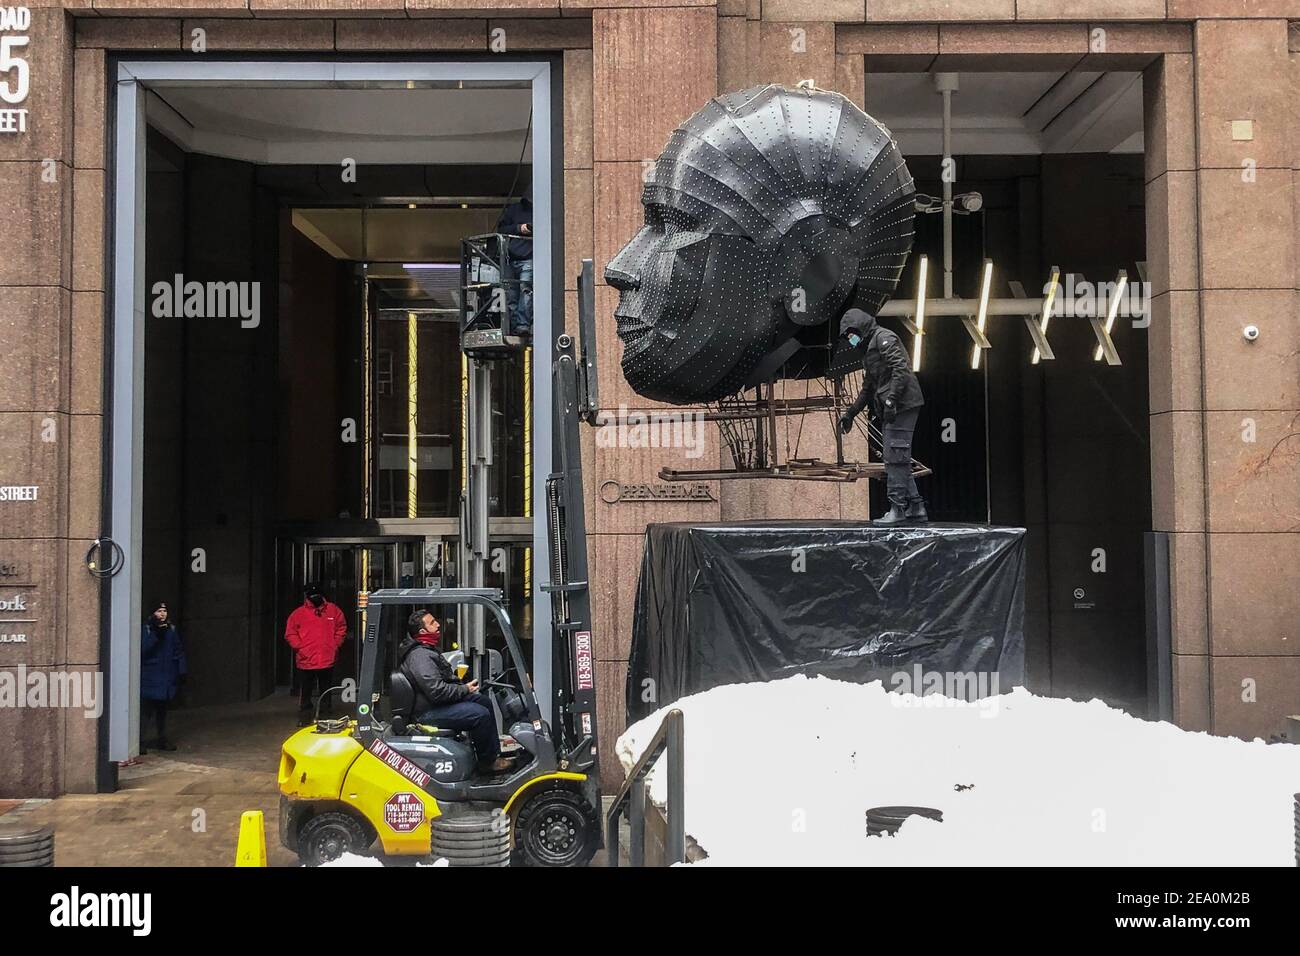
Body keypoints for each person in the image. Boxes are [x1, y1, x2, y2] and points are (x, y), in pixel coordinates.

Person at [838, 308, 928, 526]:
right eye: (848, 337)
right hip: (896, 407)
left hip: (902, 405)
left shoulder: (883, 338)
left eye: (851, 334)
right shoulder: (869, 350)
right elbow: (868, 388)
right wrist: (851, 413)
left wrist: (891, 401)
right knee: (897, 456)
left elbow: (901, 369)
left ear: (859, 327)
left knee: (895, 456)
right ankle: (916, 506)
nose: (851, 340)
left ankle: (897, 508)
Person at [398, 609, 513, 775]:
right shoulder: (420, 656)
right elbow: (437, 691)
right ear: (422, 632)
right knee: (479, 714)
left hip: (433, 705)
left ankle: (491, 754)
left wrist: (462, 685)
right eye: (432, 623)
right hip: (427, 712)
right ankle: (487, 763)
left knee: (483, 702)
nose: (438, 624)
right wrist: (464, 689)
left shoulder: (427, 650)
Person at [285, 583, 347, 725]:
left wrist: (335, 645)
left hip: (327, 658)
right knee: (306, 691)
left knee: (326, 689)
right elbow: (290, 633)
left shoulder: (333, 610)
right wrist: (300, 647)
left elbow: (341, 628)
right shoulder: (298, 614)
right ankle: (305, 717)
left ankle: (325, 716)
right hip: (306, 660)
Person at [140, 600, 187, 753]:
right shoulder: (146, 629)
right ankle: (139, 741)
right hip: (150, 676)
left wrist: (181, 670)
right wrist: (156, 635)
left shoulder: (171, 630)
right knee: (145, 712)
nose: (162, 614)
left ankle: (162, 739)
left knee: (162, 712)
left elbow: (178, 651)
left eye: (164, 611)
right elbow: (143, 650)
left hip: (166, 676)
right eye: (159, 611)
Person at [495, 183, 533, 336]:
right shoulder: (514, 210)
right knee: (511, 294)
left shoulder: (542, 210)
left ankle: (522, 325)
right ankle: (513, 326)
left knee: (525, 291)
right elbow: (502, 229)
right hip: (511, 258)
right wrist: (519, 228)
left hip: (529, 257)